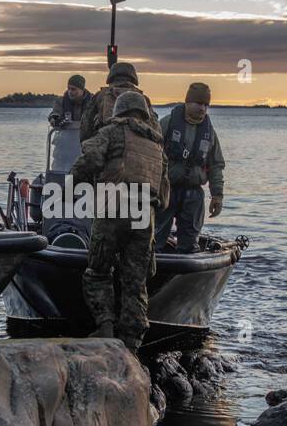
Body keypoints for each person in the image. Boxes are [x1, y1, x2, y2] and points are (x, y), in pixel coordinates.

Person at [71, 90, 169, 351]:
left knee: (98, 271)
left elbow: (89, 158)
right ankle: (132, 344)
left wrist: (74, 183)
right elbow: (164, 192)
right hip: (143, 216)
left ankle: (104, 326)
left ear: (119, 111)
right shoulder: (157, 145)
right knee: (135, 281)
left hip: (112, 207)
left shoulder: (111, 132)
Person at [155, 82, 225, 253]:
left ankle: (184, 272)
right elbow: (151, 154)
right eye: (199, 103)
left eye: (206, 105)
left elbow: (216, 165)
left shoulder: (209, 132)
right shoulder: (167, 124)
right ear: (187, 102)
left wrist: (217, 195)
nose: (202, 108)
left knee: (189, 240)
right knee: (155, 236)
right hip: (166, 190)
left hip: (194, 194)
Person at [81, 62, 138, 141]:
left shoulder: (100, 95)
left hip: (106, 144)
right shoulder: (142, 97)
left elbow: (86, 126)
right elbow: (155, 129)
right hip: (137, 146)